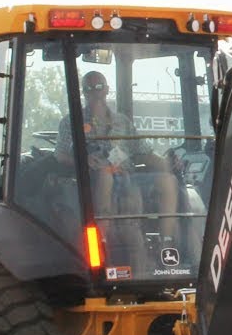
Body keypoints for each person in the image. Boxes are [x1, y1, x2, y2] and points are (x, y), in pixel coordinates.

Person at [59, 71, 179, 250]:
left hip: (128, 176)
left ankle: (167, 245)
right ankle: (101, 244)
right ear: (83, 92)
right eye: (88, 88)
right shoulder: (71, 122)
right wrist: (84, 160)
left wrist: (169, 165)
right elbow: (60, 155)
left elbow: (143, 152)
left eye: (99, 87)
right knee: (106, 174)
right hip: (92, 180)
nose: (94, 92)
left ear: (107, 90)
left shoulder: (122, 122)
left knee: (168, 181)